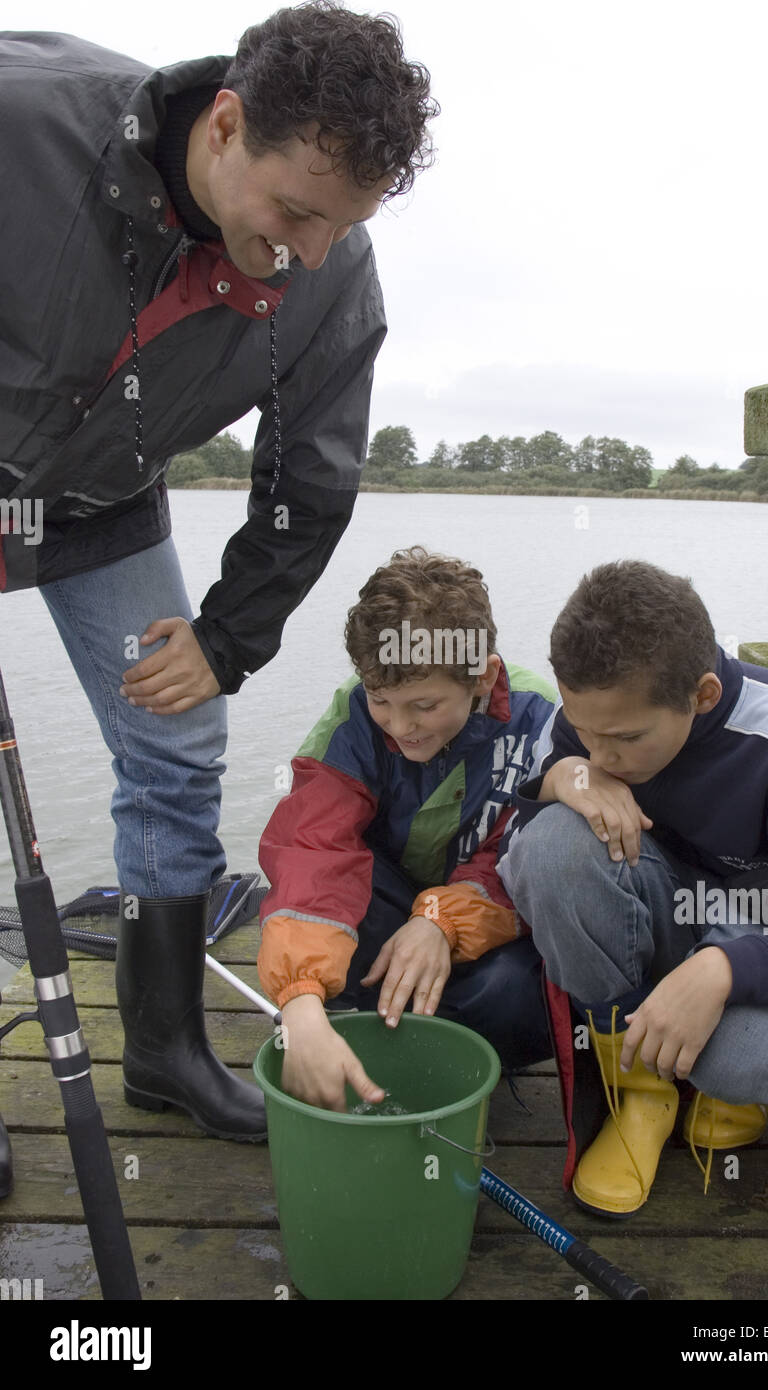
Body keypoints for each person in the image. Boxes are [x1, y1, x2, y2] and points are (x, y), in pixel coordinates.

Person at [0, 6, 436, 1141]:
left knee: (176, 740)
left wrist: (229, 635)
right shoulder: (25, 118)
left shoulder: (331, 270)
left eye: (342, 225)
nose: (311, 251)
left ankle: (162, 1049)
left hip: (102, 503)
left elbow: (312, 474)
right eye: (293, 212)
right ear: (226, 123)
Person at [497, 560, 768, 1215]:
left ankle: (730, 1090)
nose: (602, 756)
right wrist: (566, 778)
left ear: (701, 696)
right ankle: (642, 1093)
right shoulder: (601, 714)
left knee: (740, 1060)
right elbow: (537, 807)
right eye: (585, 732)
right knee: (549, 846)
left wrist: (724, 969)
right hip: (668, 913)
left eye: (625, 739)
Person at [257, 547, 557, 1110]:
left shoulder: (539, 716)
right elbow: (314, 847)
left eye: (423, 705)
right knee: (318, 932)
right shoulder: (350, 716)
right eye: (381, 700)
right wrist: (298, 997)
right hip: (389, 907)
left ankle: (380, 1023)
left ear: (482, 676)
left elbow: (522, 858)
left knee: (514, 997)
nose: (399, 727)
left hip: (487, 932)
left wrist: (441, 921)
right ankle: (344, 1022)